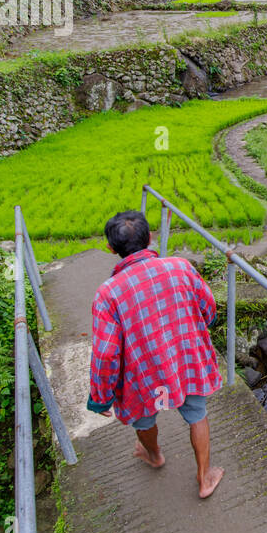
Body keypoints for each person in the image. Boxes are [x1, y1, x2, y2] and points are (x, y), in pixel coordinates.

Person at [88, 210, 224, 499]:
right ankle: (204, 477)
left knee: (143, 418)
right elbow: (208, 307)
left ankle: (154, 455)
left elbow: (105, 355)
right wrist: (201, 324)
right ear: (150, 238)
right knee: (197, 414)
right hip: (185, 362)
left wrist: (101, 397)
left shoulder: (108, 294)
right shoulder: (181, 267)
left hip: (143, 375)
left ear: (111, 249)